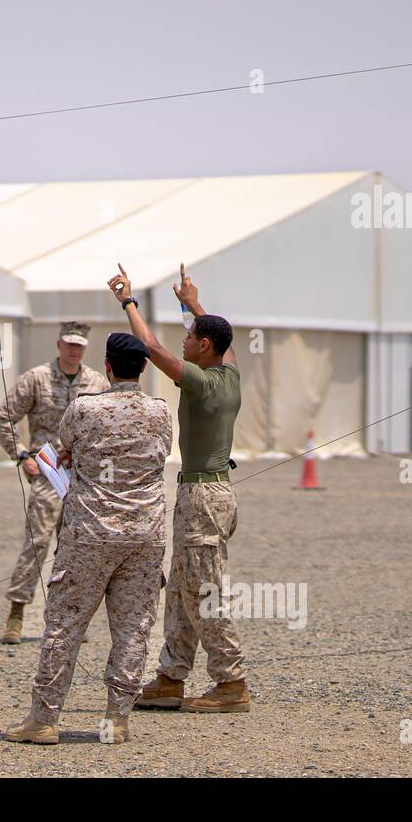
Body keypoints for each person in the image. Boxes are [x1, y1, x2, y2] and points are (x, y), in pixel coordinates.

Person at [6, 333, 172, 745]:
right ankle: (117, 720)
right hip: (145, 534)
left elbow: (64, 449)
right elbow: (158, 454)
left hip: (90, 534)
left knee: (64, 624)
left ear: (108, 366)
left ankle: (43, 720)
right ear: (144, 368)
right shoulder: (160, 412)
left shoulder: (84, 408)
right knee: (134, 629)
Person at [108, 262, 250, 713]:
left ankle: (231, 681)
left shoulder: (205, 382)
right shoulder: (228, 370)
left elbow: (149, 346)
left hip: (204, 496)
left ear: (203, 346)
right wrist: (192, 304)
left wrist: (128, 302)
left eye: (189, 336)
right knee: (184, 588)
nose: (184, 340)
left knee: (201, 589)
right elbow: (216, 337)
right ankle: (171, 676)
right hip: (207, 493)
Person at [0, 322, 108, 644]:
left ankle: (69, 617)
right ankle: (17, 611)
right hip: (48, 469)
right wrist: (20, 455)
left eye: (80, 346)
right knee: (38, 541)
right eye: (69, 344)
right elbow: (3, 419)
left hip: (82, 475)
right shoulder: (36, 378)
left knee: (77, 547)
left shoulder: (96, 382)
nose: (74, 350)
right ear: (59, 345)